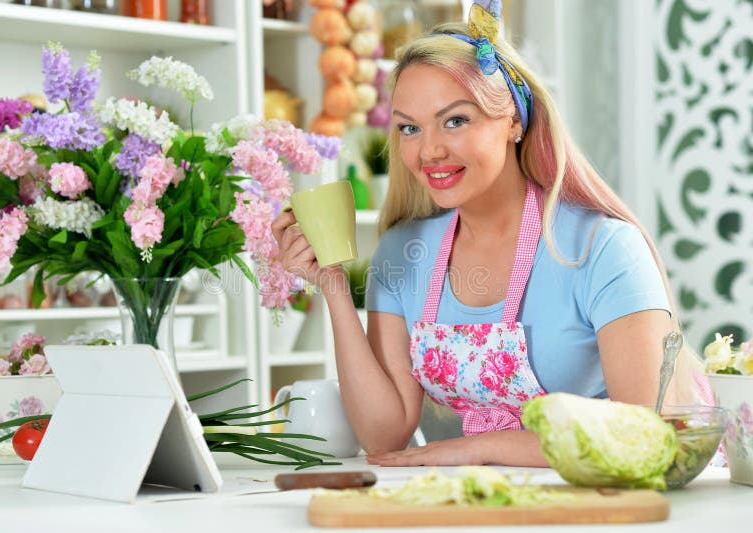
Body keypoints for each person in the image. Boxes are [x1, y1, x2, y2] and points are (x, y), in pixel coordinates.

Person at [272, 0, 710, 467]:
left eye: (456, 120)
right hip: (490, 500)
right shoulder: (403, 253)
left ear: (514, 122)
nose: (430, 150)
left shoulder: (603, 248)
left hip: (608, 500)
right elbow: (384, 435)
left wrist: (476, 448)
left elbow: (643, 436)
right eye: (409, 128)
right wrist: (334, 286)